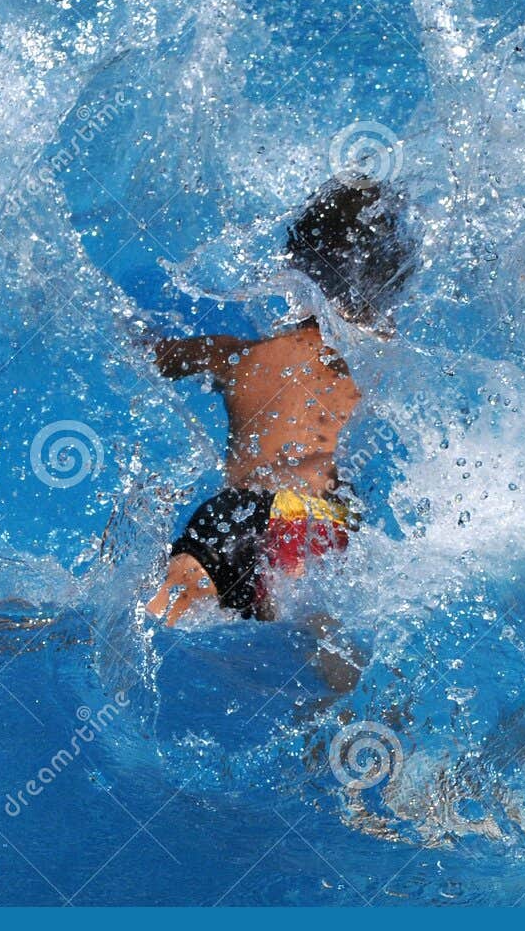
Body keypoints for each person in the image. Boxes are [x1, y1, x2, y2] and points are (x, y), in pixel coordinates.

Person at [144, 173, 415, 626]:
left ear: (295, 268)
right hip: (306, 522)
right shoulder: (384, 367)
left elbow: (153, 356)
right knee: (329, 653)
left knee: (150, 612)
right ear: (390, 284)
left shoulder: (242, 355)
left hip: (231, 515)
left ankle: (8, 629)